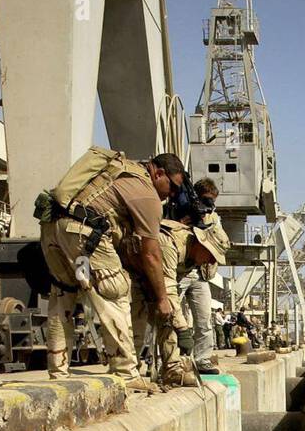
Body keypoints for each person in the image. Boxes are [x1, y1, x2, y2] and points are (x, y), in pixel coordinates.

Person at [38, 148, 186, 390]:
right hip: (86, 233)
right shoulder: (147, 194)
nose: (171, 196)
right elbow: (151, 254)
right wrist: (162, 299)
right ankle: (127, 374)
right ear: (158, 173)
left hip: (53, 227)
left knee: (63, 295)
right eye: (173, 188)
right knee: (116, 291)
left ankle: (58, 374)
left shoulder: (118, 170)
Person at [124, 218, 226, 388]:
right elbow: (167, 291)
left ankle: (172, 371)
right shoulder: (169, 245)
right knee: (137, 326)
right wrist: (184, 330)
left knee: (168, 318)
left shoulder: (191, 258)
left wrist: (178, 325)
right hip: (135, 274)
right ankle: (129, 375)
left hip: (154, 278)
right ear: (202, 245)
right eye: (211, 256)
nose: (211, 262)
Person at [171, 177, 229, 376]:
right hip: (179, 270)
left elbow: (220, 239)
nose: (209, 204)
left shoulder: (213, 216)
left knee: (204, 320)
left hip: (200, 273)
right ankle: (165, 359)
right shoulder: (180, 208)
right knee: (169, 317)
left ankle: (202, 359)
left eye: (212, 200)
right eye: (206, 199)